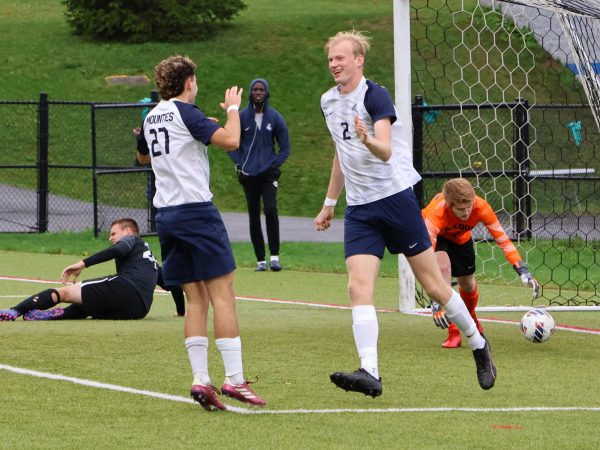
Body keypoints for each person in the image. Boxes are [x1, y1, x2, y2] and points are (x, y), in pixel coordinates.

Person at [314, 30, 497, 397]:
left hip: (395, 199)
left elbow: (383, 149)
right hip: (362, 209)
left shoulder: (374, 95)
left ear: (358, 60)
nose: (334, 64)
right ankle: (369, 371)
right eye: (331, 58)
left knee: (434, 286)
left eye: (341, 58)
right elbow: (340, 153)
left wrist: (367, 139)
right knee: (357, 286)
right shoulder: (328, 101)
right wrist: (330, 202)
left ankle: (478, 344)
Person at [136, 55, 265, 411]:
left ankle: (200, 379)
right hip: (196, 212)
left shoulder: (151, 117)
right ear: (188, 82)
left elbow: (144, 158)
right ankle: (235, 380)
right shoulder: (185, 112)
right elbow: (233, 141)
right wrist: (233, 110)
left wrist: (191, 135)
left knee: (196, 300)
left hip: (167, 215)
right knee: (223, 295)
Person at [422, 178, 540, 348]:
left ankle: (470, 321)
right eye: (461, 209)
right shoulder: (436, 213)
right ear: (449, 205)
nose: (466, 212)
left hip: (461, 240)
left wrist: (522, 270)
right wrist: (435, 299)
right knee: (442, 268)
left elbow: (503, 241)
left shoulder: (481, 207)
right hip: (436, 238)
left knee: (468, 284)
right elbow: (426, 256)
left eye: (469, 207)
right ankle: (454, 331)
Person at [0, 218, 161, 321]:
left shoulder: (130, 239)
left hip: (126, 289)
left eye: (113, 234)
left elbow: (119, 250)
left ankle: (15, 310)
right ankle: (60, 314)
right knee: (90, 303)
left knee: (65, 292)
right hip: (138, 310)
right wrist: (181, 311)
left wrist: (83, 263)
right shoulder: (150, 260)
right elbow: (171, 283)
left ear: (126, 232)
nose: (110, 238)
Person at [228, 78, 291, 272]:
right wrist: (240, 164)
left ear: (267, 93)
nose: (258, 93)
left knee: (271, 209)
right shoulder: (241, 118)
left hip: (268, 175)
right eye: (255, 89)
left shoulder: (275, 118)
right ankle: (260, 260)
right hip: (248, 175)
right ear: (250, 93)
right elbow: (231, 144)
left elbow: (285, 148)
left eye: (261, 90)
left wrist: (274, 165)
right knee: (253, 214)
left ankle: (274, 257)